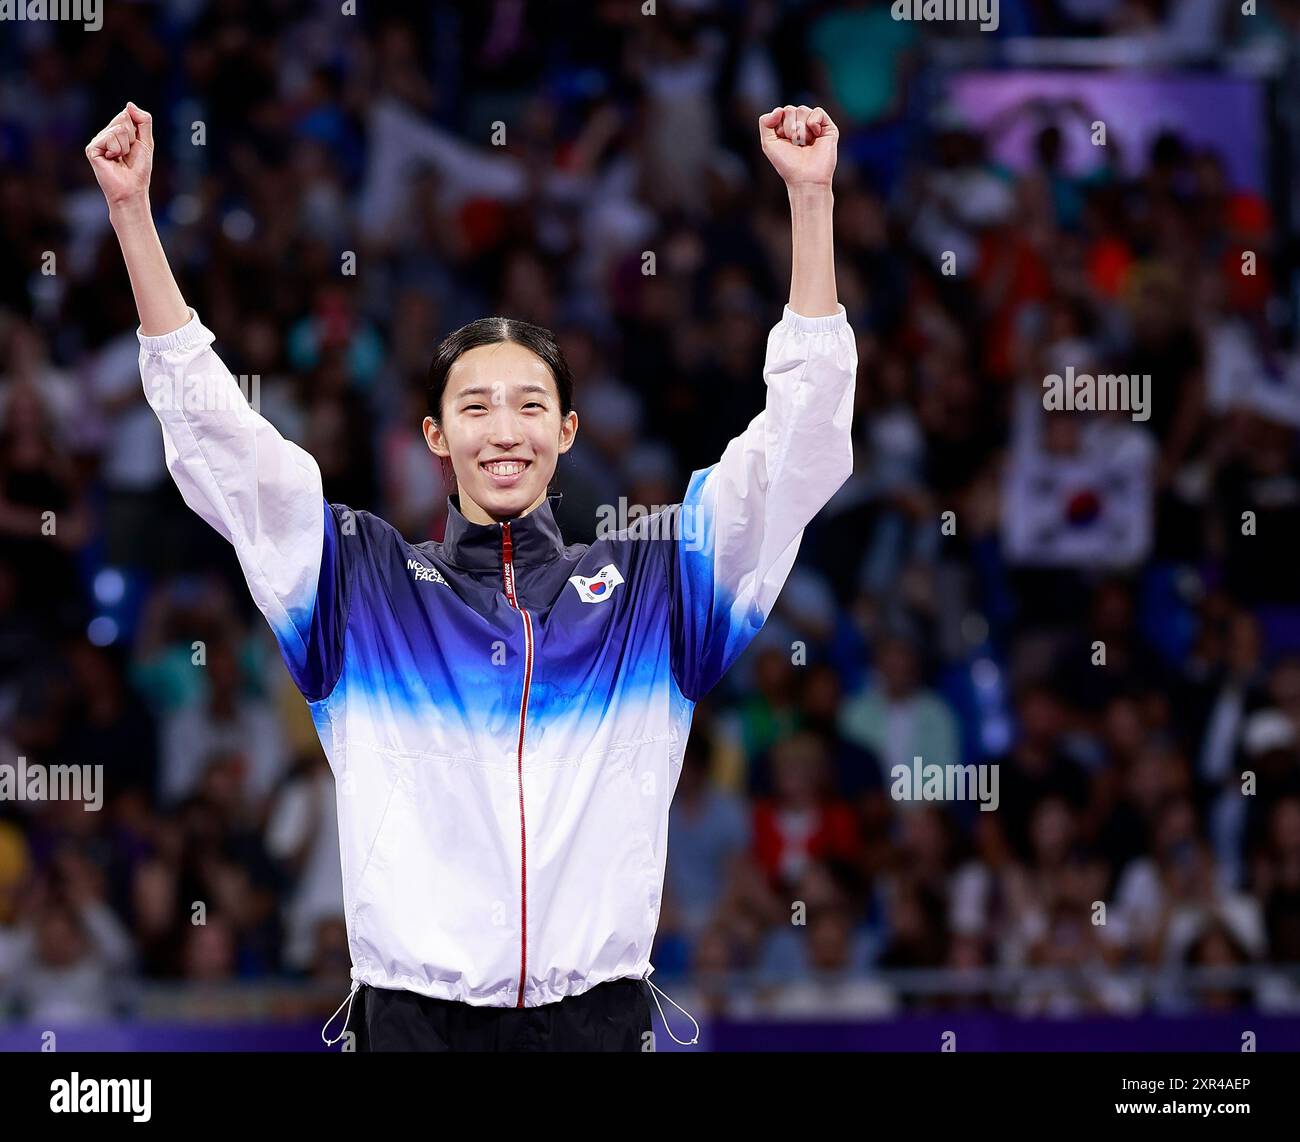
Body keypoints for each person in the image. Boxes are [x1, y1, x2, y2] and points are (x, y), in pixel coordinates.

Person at [85, 99, 857, 1051]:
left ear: (566, 435)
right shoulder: (357, 580)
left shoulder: (654, 588)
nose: (505, 428)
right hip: (413, 1025)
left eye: (532, 404)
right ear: (436, 438)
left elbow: (800, 451)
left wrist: (812, 203)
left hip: (598, 1022)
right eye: (476, 406)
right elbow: (221, 444)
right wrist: (131, 215)